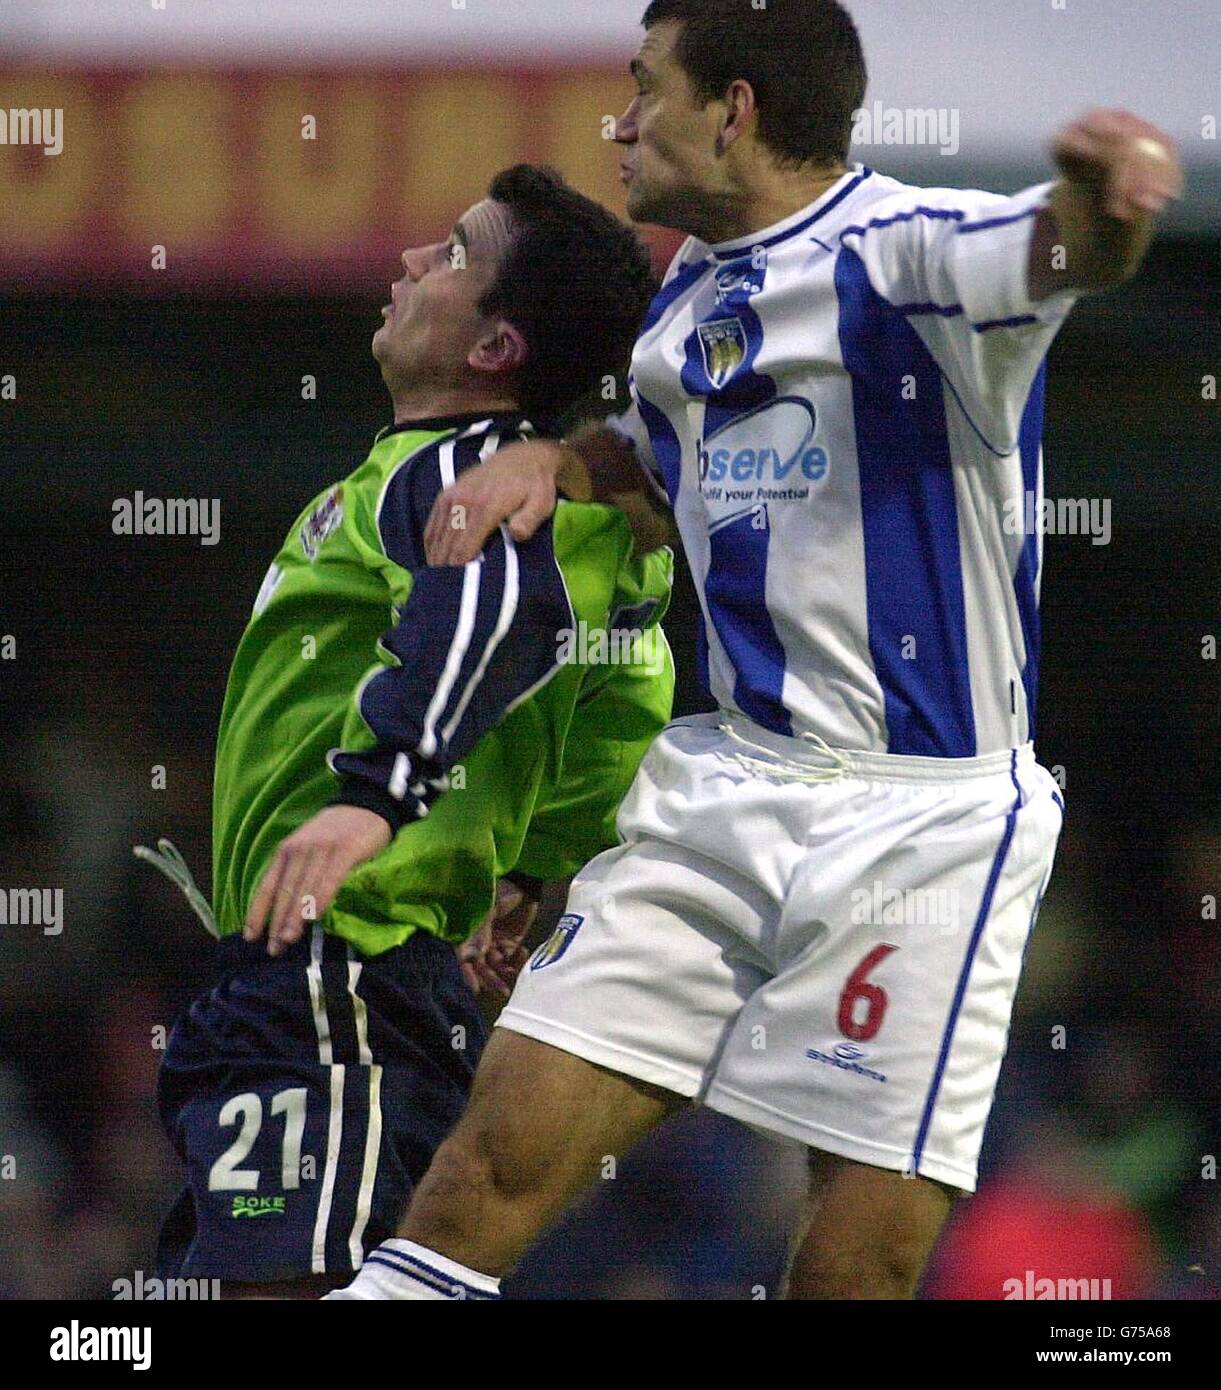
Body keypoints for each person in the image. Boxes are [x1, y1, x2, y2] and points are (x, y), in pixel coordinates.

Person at [328, 1, 1183, 1301]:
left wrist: (1107, 197)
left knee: (857, 1264)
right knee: (483, 1176)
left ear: (731, 109)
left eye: (643, 88)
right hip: (724, 787)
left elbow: (1064, 247)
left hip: (923, 823)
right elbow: (672, 454)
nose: (619, 119)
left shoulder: (909, 253)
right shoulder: (687, 289)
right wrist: (562, 460)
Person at [140, 164, 675, 1297]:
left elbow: (493, 608)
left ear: (495, 348)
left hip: (345, 970)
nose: (409, 264)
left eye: (451, 253)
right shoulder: (512, 504)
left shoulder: (466, 481)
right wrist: (527, 867)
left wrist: (371, 798)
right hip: (317, 976)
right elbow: (622, 697)